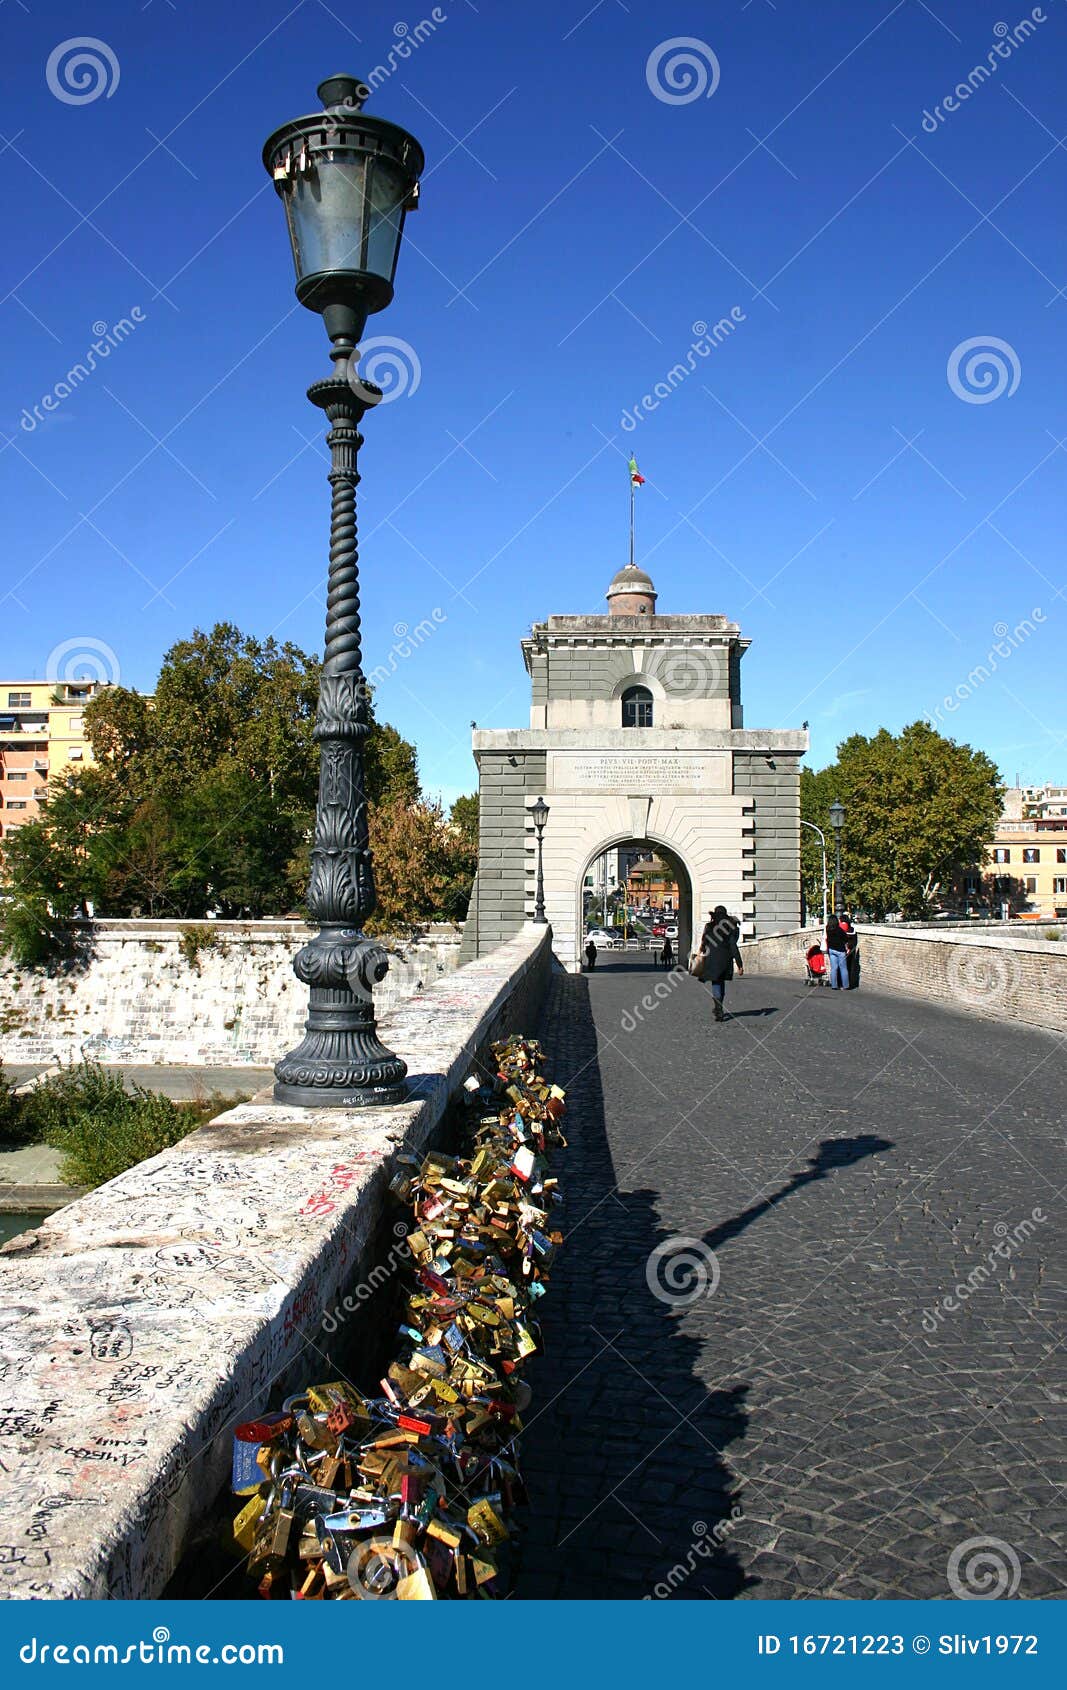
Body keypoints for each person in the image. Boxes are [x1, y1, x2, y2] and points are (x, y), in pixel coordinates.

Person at [700, 905, 743, 1023]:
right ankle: (719, 1007)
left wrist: (702, 951)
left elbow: (704, 941)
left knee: (716, 982)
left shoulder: (709, 926)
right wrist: (739, 964)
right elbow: (733, 946)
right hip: (725, 959)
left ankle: (718, 1009)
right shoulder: (730, 927)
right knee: (721, 981)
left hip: (712, 958)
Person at [825, 914, 850, 989]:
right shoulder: (839, 930)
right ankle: (845, 985)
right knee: (843, 968)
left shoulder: (827, 929)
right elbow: (845, 939)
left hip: (831, 950)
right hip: (840, 950)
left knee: (833, 968)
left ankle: (834, 985)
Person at [840, 912, 860, 990]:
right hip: (851, 951)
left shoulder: (841, 929)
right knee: (849, 968)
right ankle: (848, 984)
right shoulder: (852, 929)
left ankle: (844, 984)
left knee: (844, 968)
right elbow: (855, 941)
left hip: (845, 951)